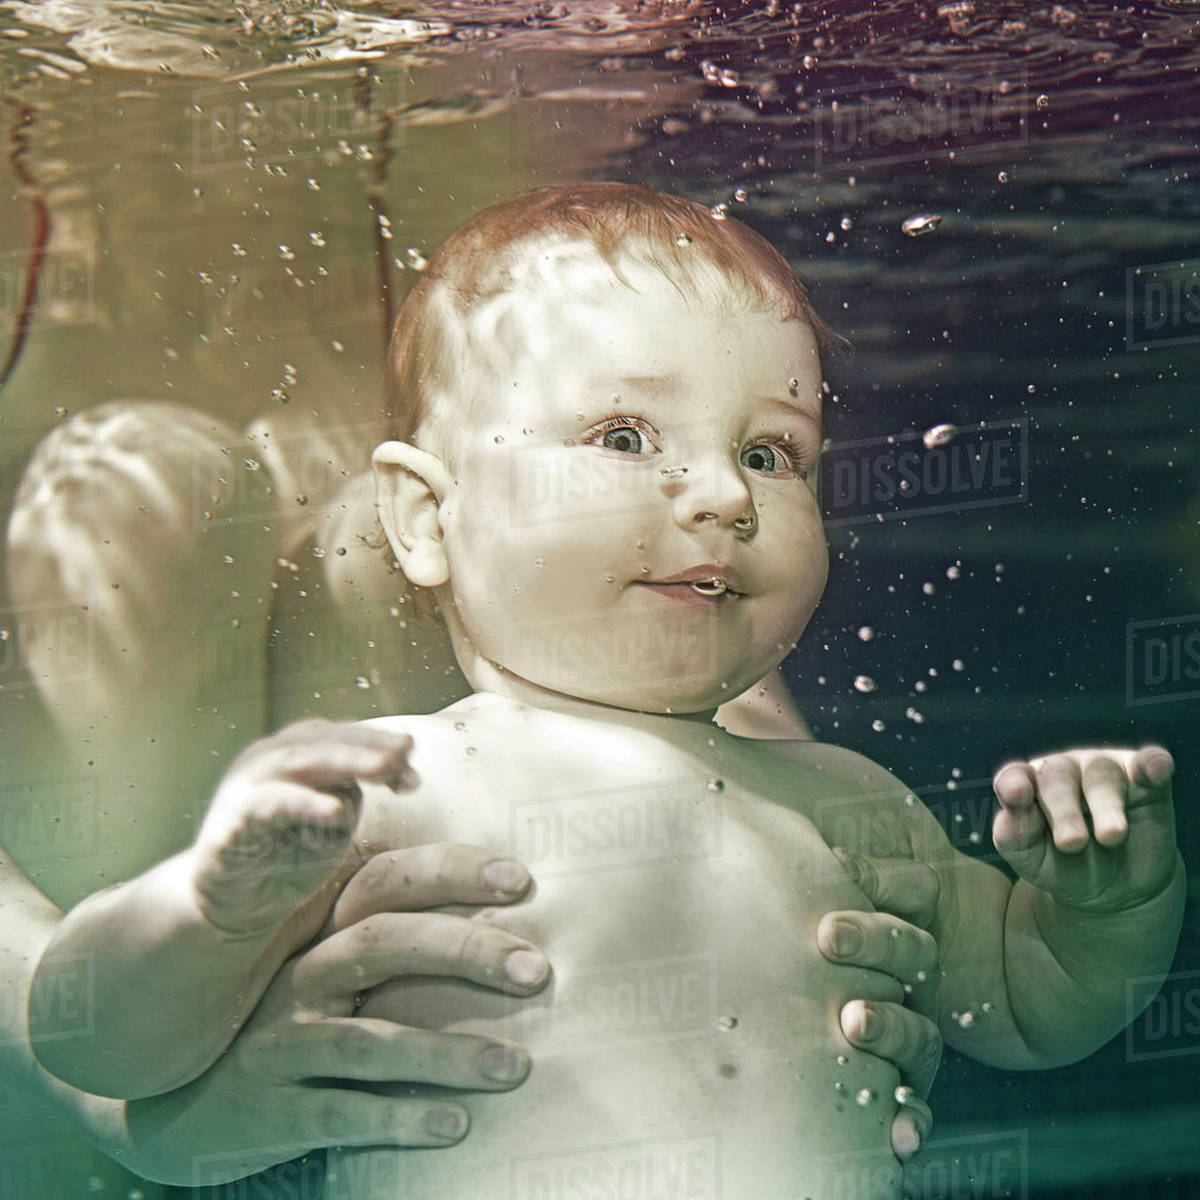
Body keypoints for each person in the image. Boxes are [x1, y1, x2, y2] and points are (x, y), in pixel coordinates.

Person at [33, 180, 1180, 1198]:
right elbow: (96, 1044)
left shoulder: (849, 801)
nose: (723, 494)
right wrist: (207, 910)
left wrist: (1106, 905)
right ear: (428, 519)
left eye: (772, 453)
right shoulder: (395, 783)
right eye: (625, 436)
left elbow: (1033, 1004)